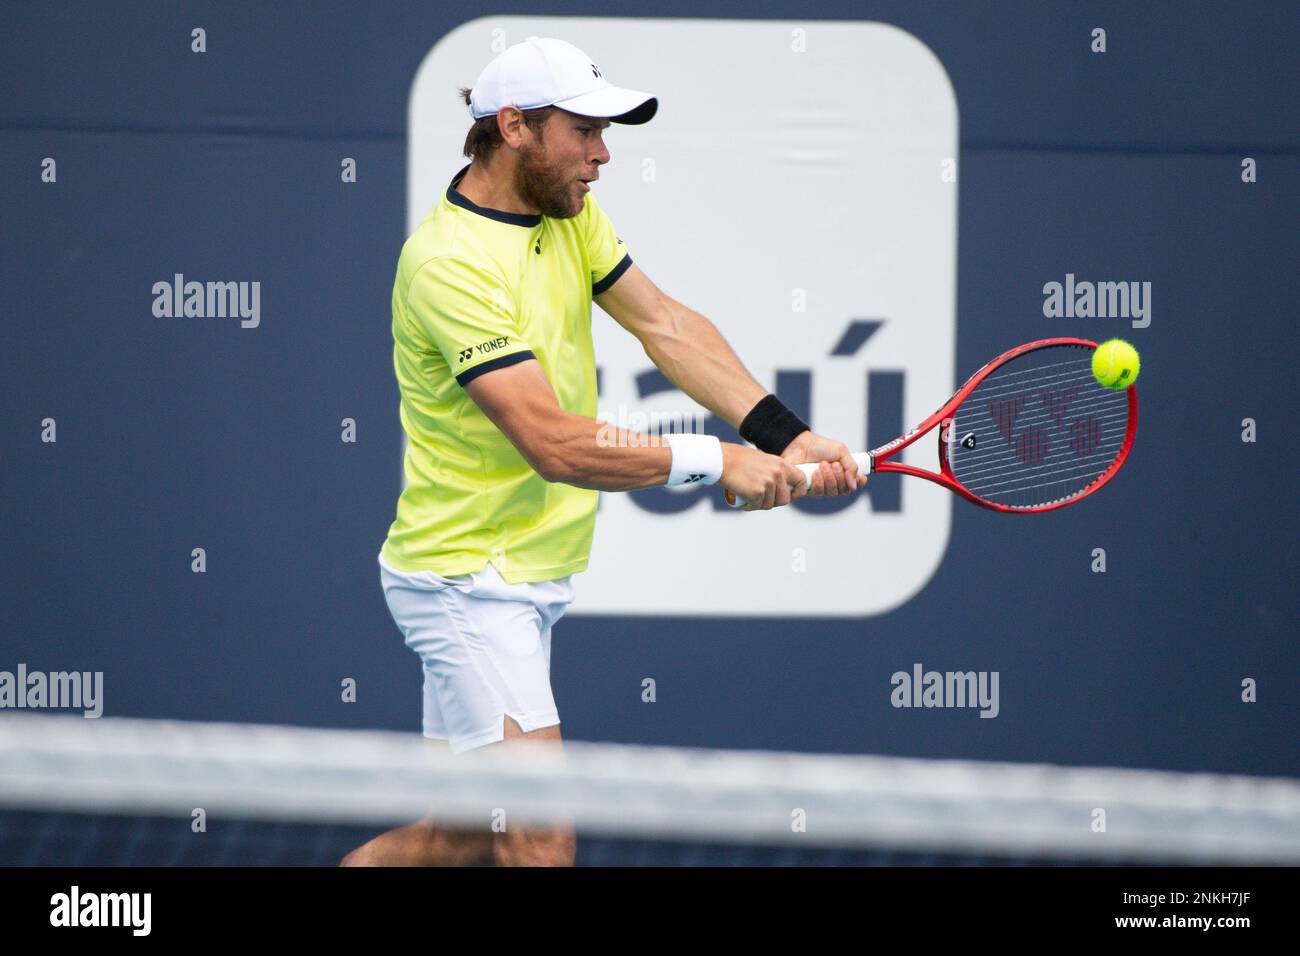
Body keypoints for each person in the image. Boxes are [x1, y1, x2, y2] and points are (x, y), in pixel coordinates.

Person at [341, 36, 865, 867]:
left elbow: (666, 326)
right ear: (514, 127)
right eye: (584, 130)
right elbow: (551, 442)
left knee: (461, 838)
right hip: (466, 577)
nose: (603, 153)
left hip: (528, 572)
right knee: (542, 832)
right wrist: (716, 461)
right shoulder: (449, 263)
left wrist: (782, 433)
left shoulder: (570, 217)